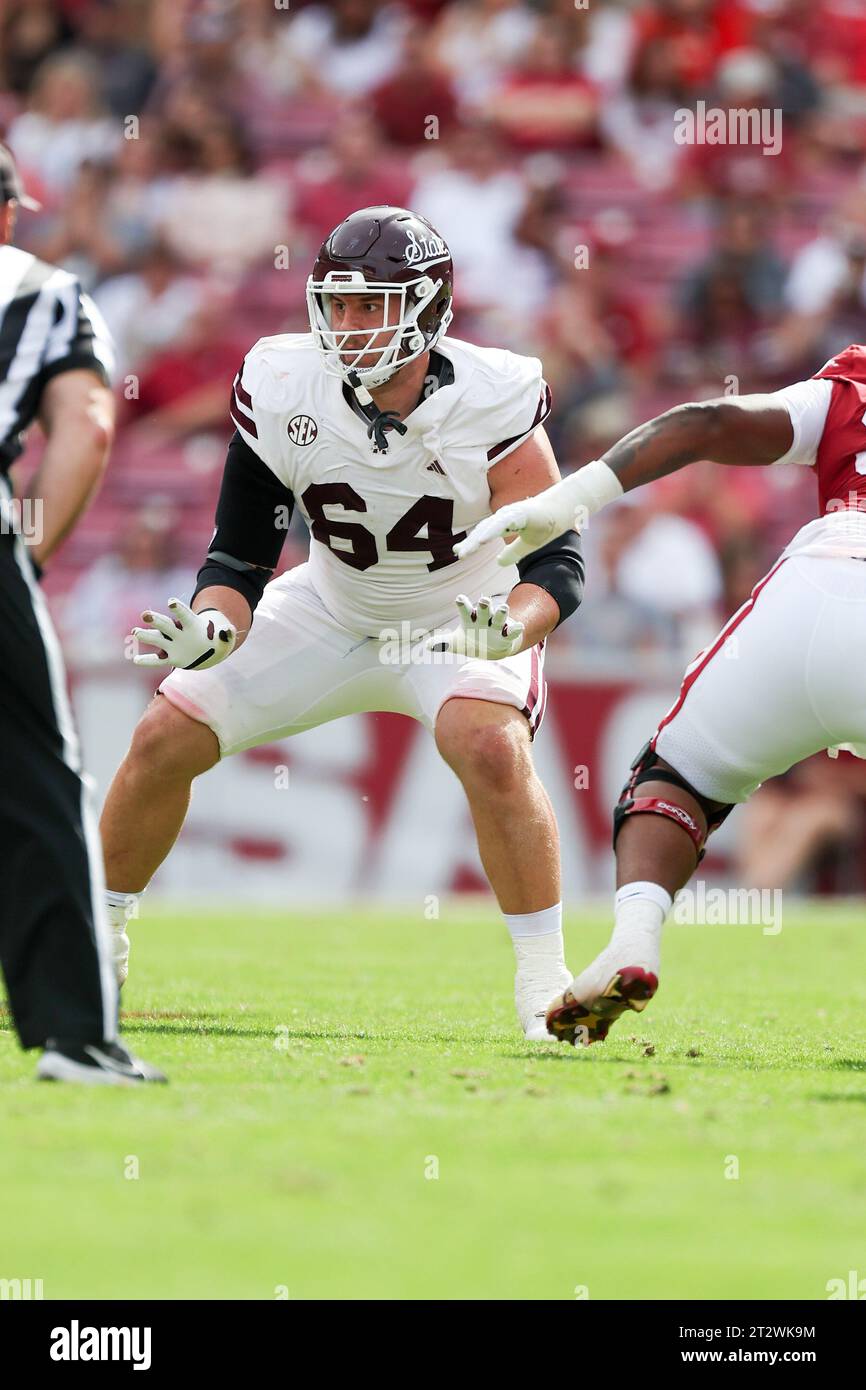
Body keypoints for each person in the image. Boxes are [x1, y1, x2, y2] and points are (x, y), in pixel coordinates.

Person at [99, 206, 585, 1041]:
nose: (350, 326)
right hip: (332, 602)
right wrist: (215, 629)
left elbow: (558, 564)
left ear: (430, 308)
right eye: (340, 304)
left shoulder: (493, 395)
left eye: (374, 306)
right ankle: (93, 948)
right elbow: (239, 559)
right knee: (161, 737)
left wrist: (514, 627)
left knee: (488, 745)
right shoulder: (284, 380)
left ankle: (547, 986)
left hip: (456, 614)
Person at [458, 341, 866, 1043]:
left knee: (675, 780)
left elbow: (705, 422)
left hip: (816, 583)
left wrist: (566, 501)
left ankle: (634, 938)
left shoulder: (853, 387)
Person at [0, 145, 164, 1083]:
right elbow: (87, 424)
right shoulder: (41, 290)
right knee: (34, 783)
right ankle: (74, 1035)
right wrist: (29, 554)